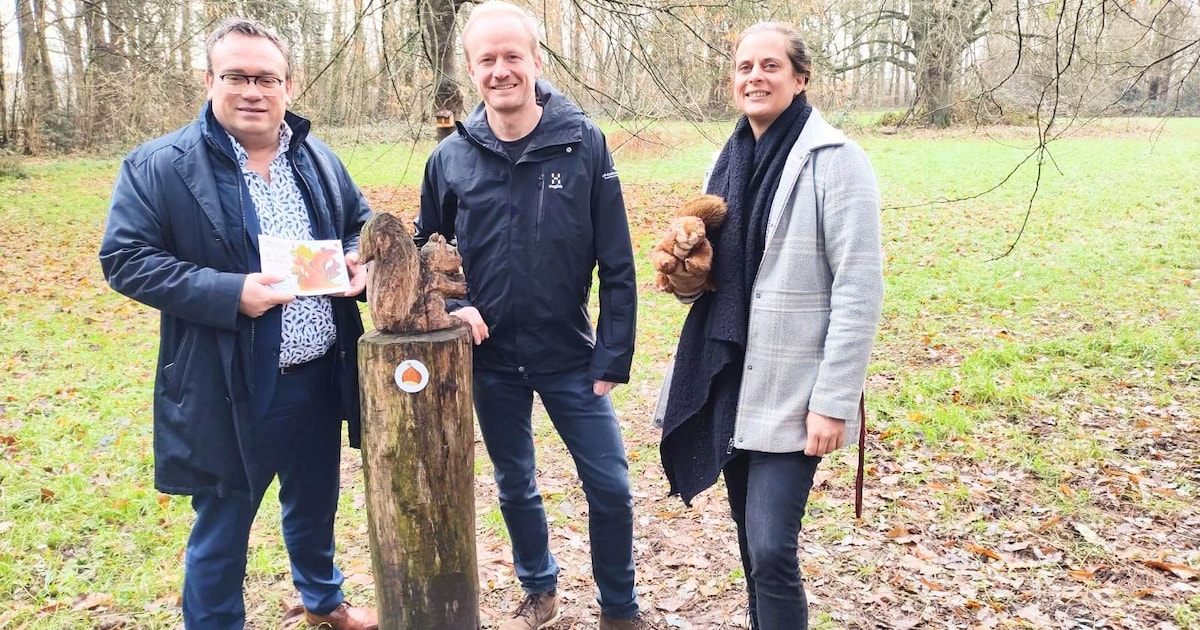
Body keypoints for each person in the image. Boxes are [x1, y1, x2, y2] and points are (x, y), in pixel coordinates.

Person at [99, 18, 378, 630]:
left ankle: (322, 601)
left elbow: (358, 222)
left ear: (288, 86)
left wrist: (360, 255)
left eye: (266, 78)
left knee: (315, 501)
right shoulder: (161, 166)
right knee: (224, 522)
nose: (253, 90)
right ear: (209, 81)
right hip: (232, 380)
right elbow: (125, 259)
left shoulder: (317, 158)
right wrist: (231, 293)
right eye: (236, 76)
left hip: (320, 372)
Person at [414, 2, 649, 628]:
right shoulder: (450, 158)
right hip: (489, 359)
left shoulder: (583, 143)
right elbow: (424, 251)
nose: (501, 70)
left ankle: (619, 608)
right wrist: (455, 305)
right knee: (514, 482)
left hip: (569, 354)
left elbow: (618, 262)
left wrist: (613, 354)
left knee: (611, 486)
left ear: (536, 61)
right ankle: (539, 589)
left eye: (512, 56)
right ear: (471, 69)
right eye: (486, 59)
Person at [655, 22, 884, 630]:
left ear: (800, 78)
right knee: (750, 545)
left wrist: (833, 403)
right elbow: (713, 284)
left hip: (795, 390)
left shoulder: (837, 161)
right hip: (730, 378)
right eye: (744, 67)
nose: (754, 77)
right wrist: (685, 277)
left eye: (770, 66)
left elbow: (859, 290)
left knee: (772, 549)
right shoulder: (725, 160)